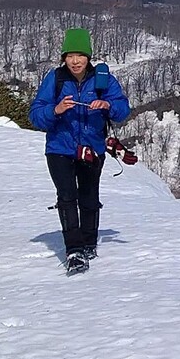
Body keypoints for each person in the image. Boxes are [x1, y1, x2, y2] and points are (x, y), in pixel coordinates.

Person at [30, 28, 130, 272]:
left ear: (89, 57)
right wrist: (56, 110)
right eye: (70, 55)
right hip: (59, 148)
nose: (75, 61)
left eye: (81, 55)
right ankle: (74, 249)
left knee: (88, 197)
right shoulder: (55, 80)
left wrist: (107, 104)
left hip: (92, 147)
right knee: (67, 197)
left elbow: (123, 109)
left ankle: (88, 242)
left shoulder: (103, 79)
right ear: (63, 57)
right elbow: (35, 115)